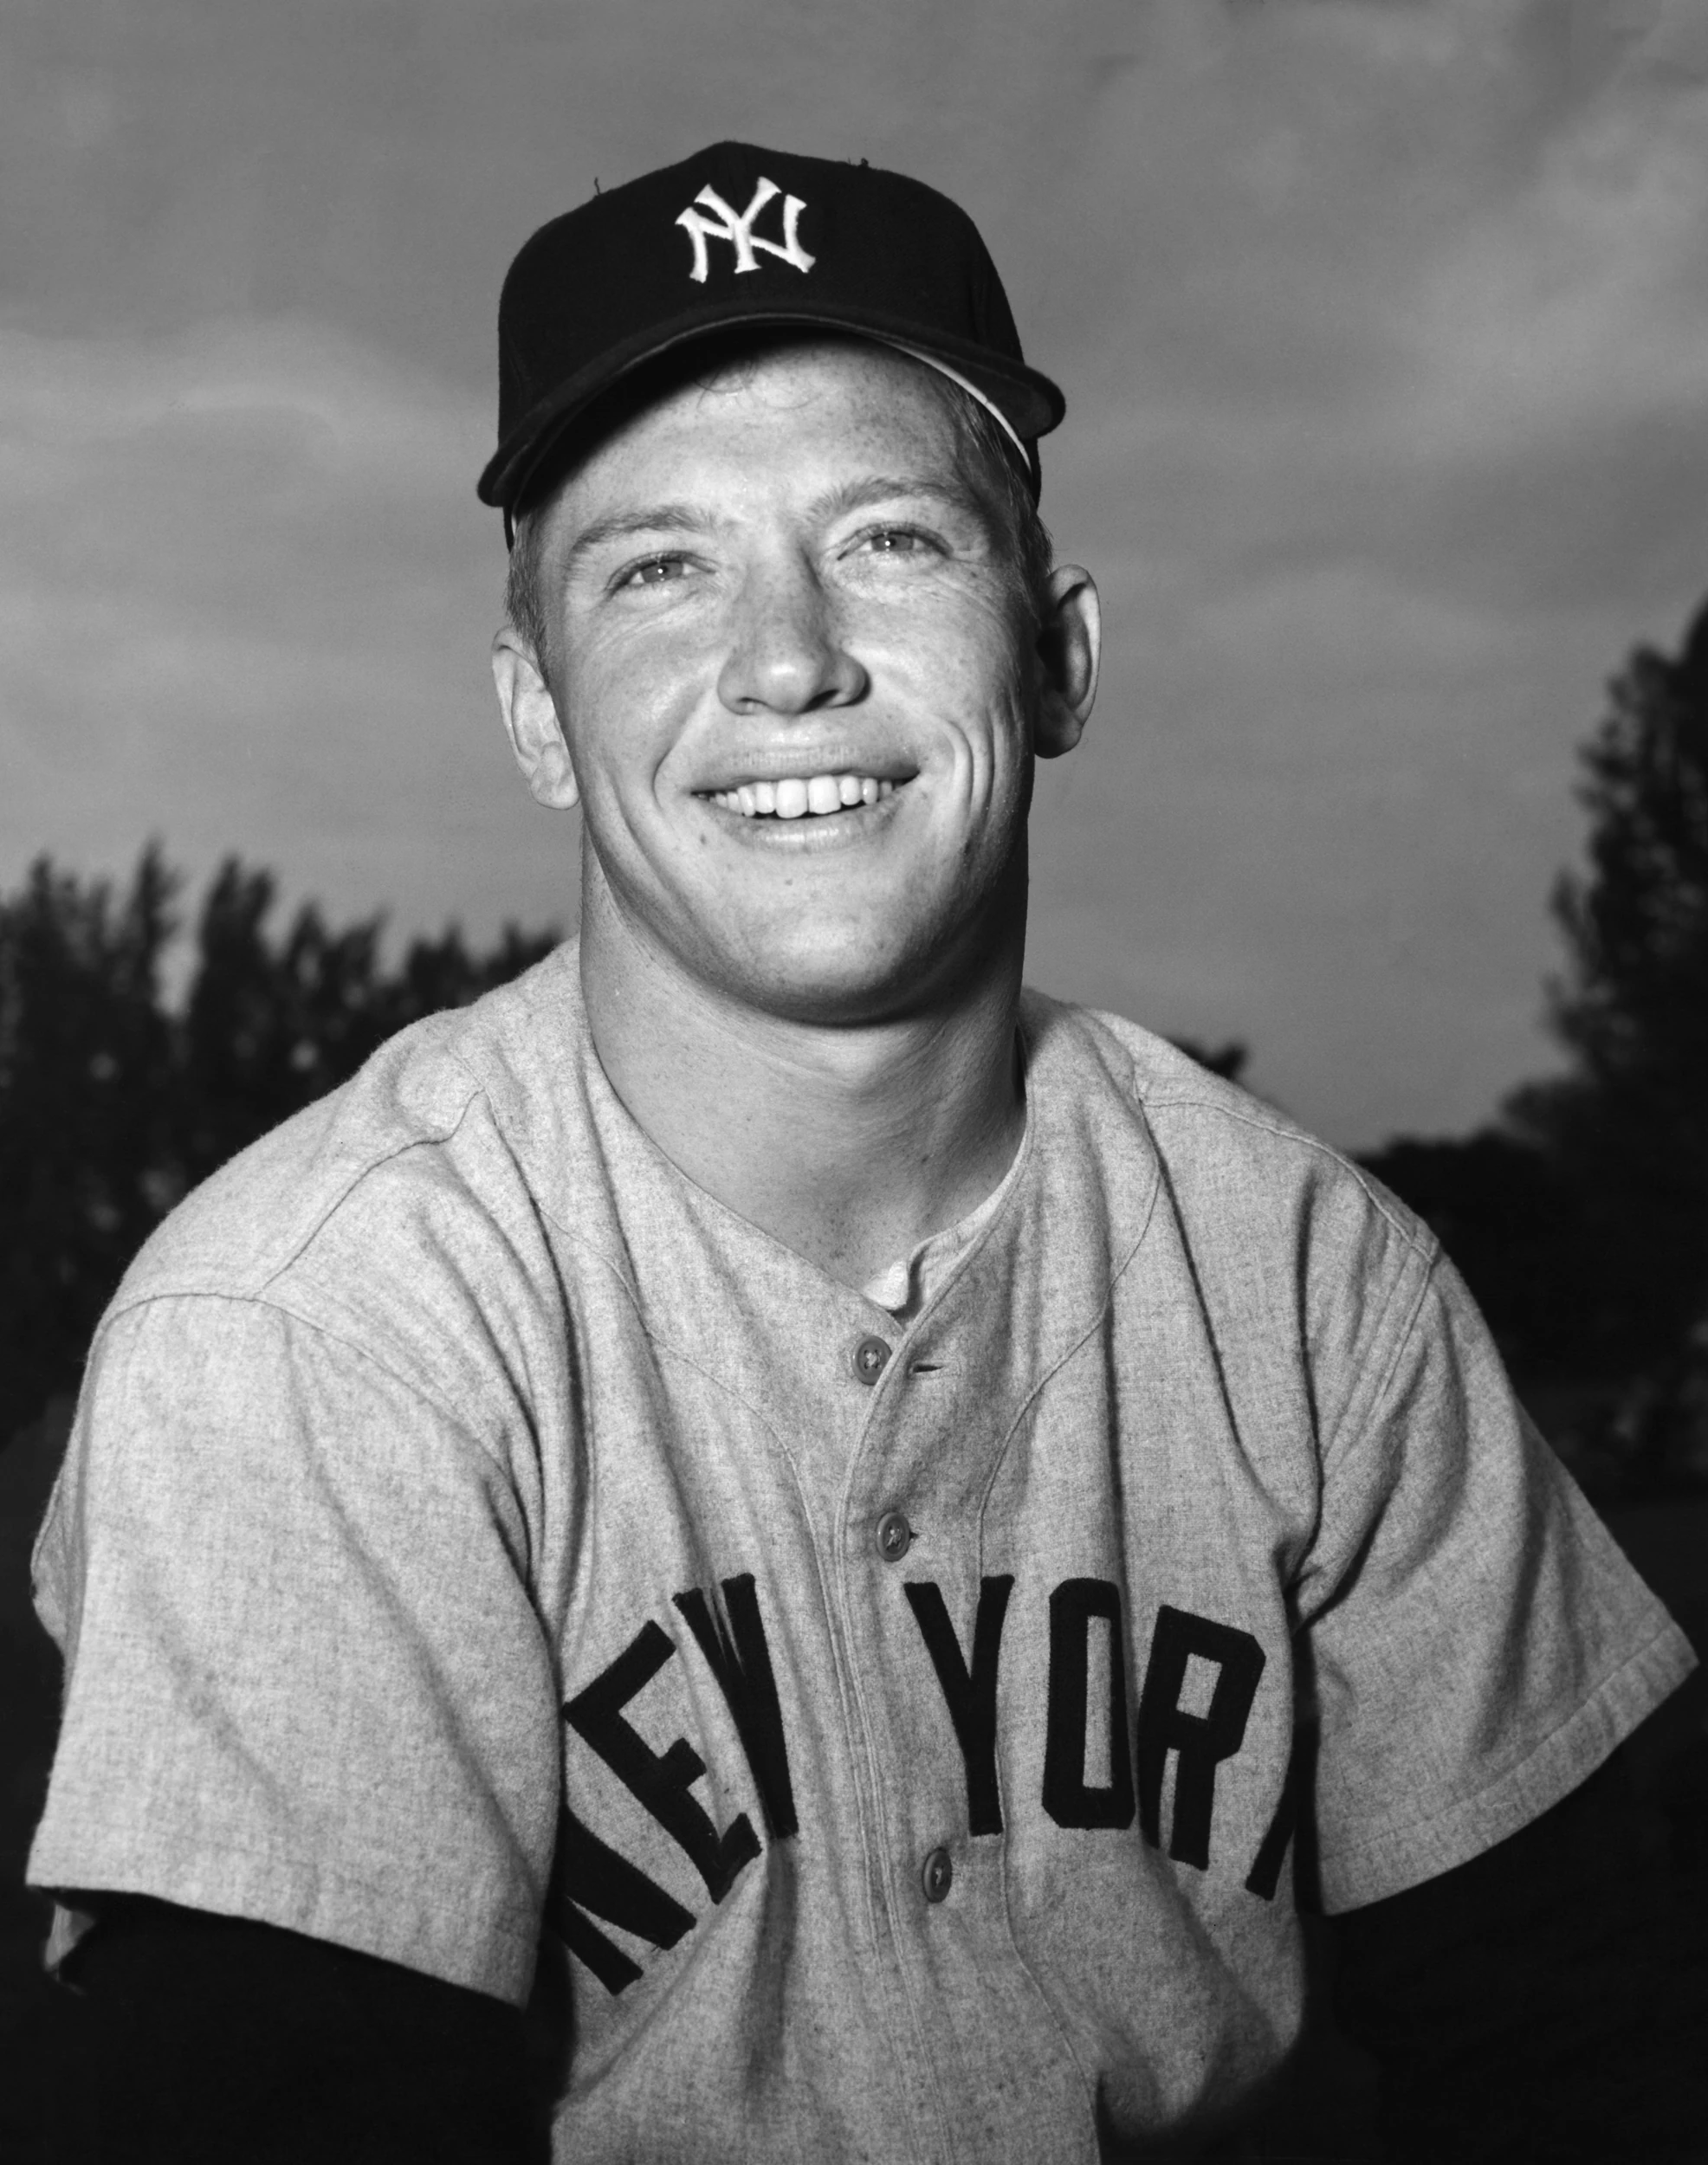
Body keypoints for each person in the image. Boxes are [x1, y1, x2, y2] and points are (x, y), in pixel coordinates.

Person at [26, 141, 1700, 2162]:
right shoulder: (310, 1326)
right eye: (656, 566)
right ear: (537, 713)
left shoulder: (1310, 1282)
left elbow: (1582, 2049)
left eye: (891, 538)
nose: (787, 655)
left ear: (1059, 652)